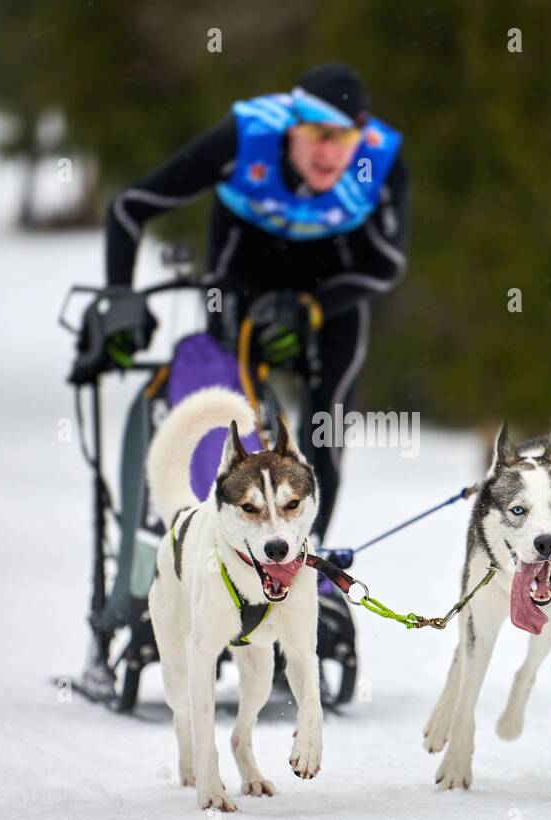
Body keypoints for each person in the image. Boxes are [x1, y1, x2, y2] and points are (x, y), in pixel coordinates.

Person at [104, 62, 409, 545]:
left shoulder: (378, 157)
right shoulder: (246, 136)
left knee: (324, 435)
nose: (332, 153)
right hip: (243, 285)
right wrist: (119, 299)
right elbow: (129, 207)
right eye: (319, 135)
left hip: (327, 301)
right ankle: (212, 548)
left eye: (345, 139)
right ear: (291, 126)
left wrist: (311, 309)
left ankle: (302, 561)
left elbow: (385, 264)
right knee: (227, 424)